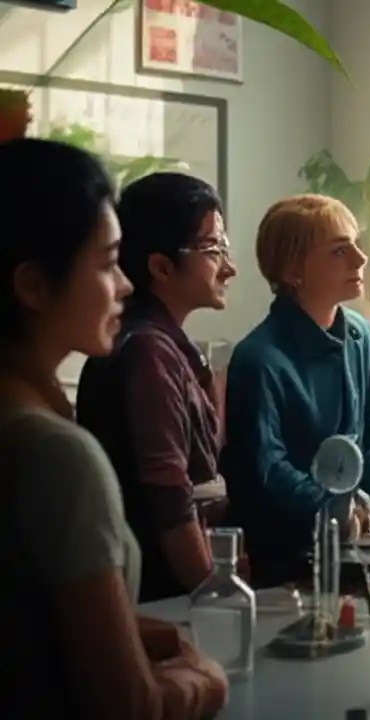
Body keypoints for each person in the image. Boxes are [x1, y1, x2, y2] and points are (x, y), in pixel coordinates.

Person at [0, 139, 227, 718]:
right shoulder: (56, 455)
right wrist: (203, 680)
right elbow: (127, 704)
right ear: (32, 285)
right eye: (106, 264)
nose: (124, 285)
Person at [220, 193, 370, 588]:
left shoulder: (360, 336)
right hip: (282, 563)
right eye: (338, 251)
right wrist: (337, 514)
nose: (360, 259)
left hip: (346, 551)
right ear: (292, 270)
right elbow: (267, 471)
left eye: (355, 245)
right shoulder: (258, 359)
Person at [77, 172, 239, 602]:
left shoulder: (167, 347)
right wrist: (219, 599)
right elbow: (170, 507)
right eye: (213, 248)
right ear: (161, 267)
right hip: (164, 597)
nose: (230, 266)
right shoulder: (149, 353)